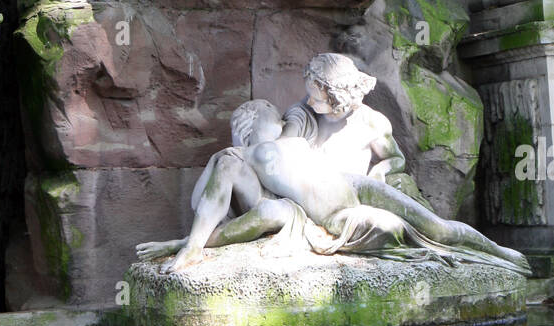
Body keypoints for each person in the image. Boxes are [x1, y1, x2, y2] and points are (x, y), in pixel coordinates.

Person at [137, 53, 530, 275]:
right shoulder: (265, 143)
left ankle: (503, 253)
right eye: (261, 118)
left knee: (438, 228)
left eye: (318, 96)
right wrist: (190, 243)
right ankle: (494, 255)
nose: (308, 103)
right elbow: (205, 202)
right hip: (332, 211)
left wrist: (381, 173)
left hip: (356, 186)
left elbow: (392, 157)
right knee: (409, 230)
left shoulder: (364, 124)